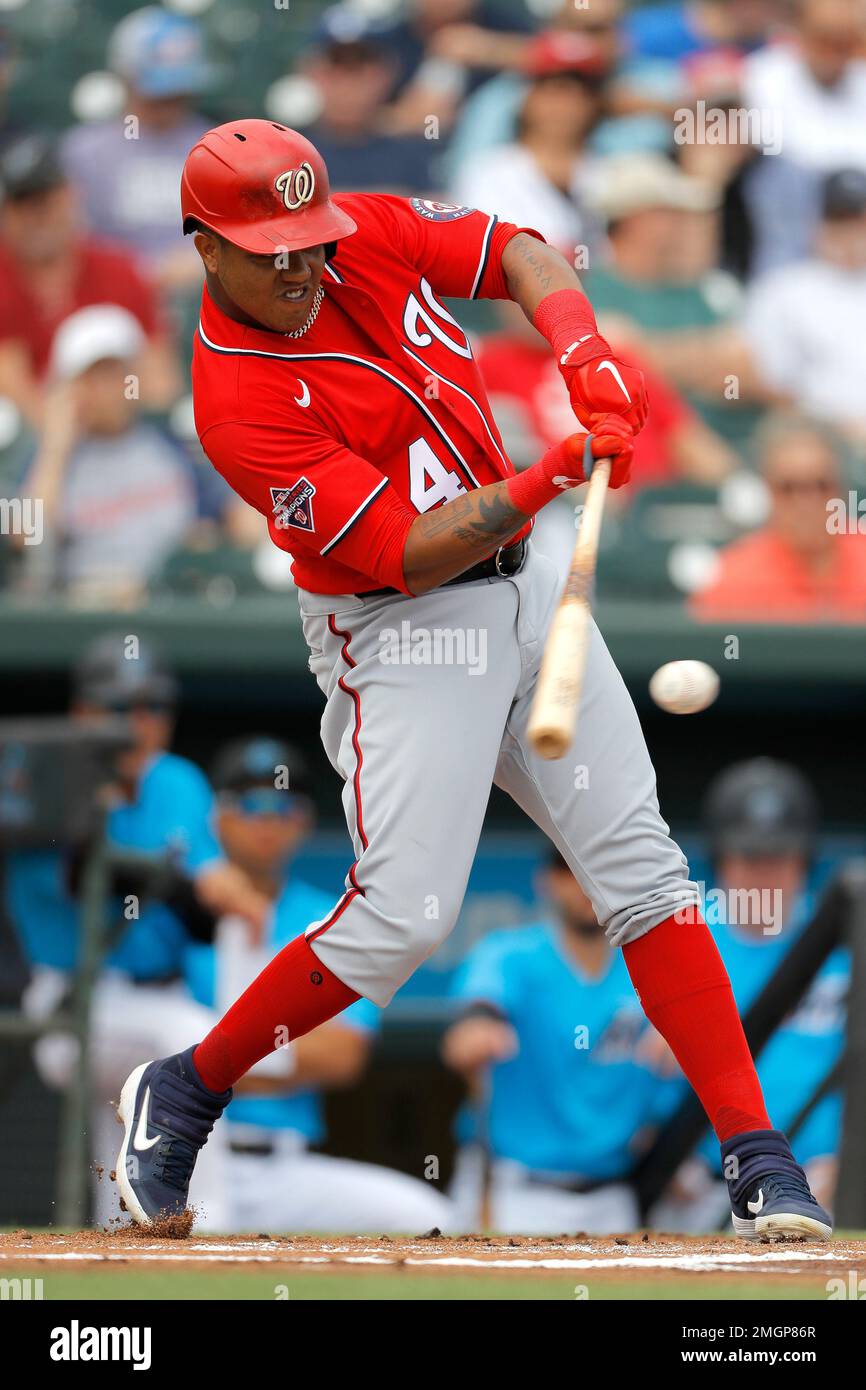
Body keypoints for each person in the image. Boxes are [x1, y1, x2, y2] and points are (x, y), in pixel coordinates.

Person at [115, 118, 831, 1243]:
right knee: (402, 917)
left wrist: (583, 352)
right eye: (272, 249)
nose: (303, 263)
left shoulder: (365, 232)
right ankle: (190, 1085)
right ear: (207, 248)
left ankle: (757, 1158)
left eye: (309, 235)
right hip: (398, 625)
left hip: (527, 580)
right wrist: (550, 469)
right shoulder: (237, 403)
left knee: (642, 869)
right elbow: (406, 550)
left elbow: (516, 252)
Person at [6, 634, 268, 1228]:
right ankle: (210, 1229)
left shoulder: (176, 781)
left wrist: (217, 887)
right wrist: (182, 878)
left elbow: (206, 894)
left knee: (120, 1140)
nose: (139, 724)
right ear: (84, 714)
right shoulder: (44, 783)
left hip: (154, 997)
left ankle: (122, 1259)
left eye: (153, 708)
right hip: (70, 1001)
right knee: (198, 1046)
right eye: (121, 709)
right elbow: (78, 875)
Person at [184, 736, 454, 1233]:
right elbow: (143, 1053)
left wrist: (205, 1060)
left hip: (284, 1165)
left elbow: (342, 1056)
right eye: (248, 803)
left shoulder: (328, 916)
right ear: (218, 817)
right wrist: (273, 1052)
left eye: (282, 804)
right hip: (188, 1156)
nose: (266, 819)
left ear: (303, 821)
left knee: (429, 1218)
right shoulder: (179, 911)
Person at [652, 760, 849, 1231]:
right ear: (721, 859)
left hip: (827, 1179)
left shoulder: (845, 942)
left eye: (778, 859)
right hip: (704, 1186)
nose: (765, 875)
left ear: (805, 860)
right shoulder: (683, 939)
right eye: (750, 858)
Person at [443, 850, 663, 1234]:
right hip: (518, 1189)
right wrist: (479, 1032)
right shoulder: (510, 954)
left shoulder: (649, 967)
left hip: (613, 1194)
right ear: (547, 881)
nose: (584, 886)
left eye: (598, 871)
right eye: (570, 871)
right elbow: (468, 1030)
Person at [16, 305, 196, 604]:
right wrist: (55, 449)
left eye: (117, 373)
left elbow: (235, 522)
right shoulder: (47, 457)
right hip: (85, 614)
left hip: (172, 603)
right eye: (95, 376)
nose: (111, 388)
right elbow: (27, 539)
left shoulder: (170, 443)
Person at [0, 135, 177, 423]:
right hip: (35, 445)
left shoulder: (119, 270)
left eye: (45, 202)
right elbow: (12, 389)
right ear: (6, 213)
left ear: (70, 195)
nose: (36, 217)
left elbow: (159, 384)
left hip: (123, 435)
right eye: (23, 206)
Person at [61, 6, 214, 292]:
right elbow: (75, 244)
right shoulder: (86, 150)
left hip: (203, 294)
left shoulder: (217, 145)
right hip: (113, 294)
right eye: (160, 94)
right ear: (125, 79)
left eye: (179, 92)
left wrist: (196, 265)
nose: (170, 101)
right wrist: (144, 272)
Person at [691, 413, 866, 622]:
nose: (806, 502)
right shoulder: (733, 577)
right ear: (767, 492)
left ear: (841, 490)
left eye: (821, 486)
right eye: (788, 488)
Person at [744, 169, 866, 439]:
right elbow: (768, 385)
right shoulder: (782, 290)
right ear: (818, 224)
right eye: (839, 221)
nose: (852, 233)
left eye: (858, 221)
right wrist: (835, 429)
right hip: (822, 440)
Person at [299, 8, 442, 194]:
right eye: (336, 63)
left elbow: (438, 212)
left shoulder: (415, 153)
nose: (347, 81)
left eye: (361, 65)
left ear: (387, 73)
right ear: (311, 72)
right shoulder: (288, 151)